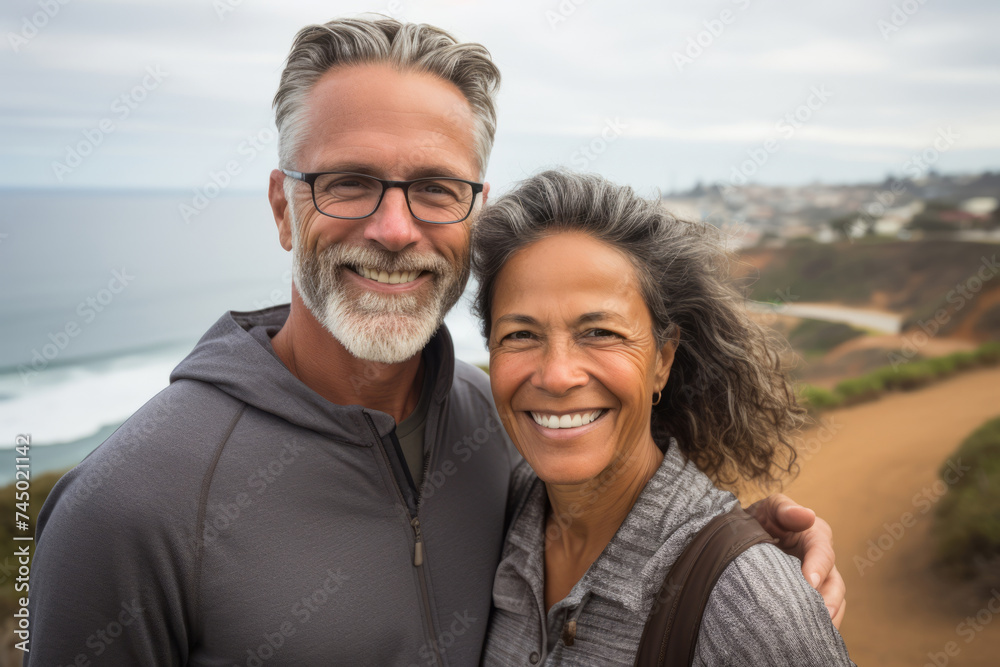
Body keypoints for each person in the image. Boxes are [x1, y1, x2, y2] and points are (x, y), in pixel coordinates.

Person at [26, 17, 842, 666]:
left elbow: (621, 518)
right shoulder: (128, 508)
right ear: (283, 207)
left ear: (473, 214)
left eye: (434, 189)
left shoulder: (504, 425)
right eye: (347, 182)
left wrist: (746, 565)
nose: (392, 228)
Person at [473, 170, 854, 666]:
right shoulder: (494, 512)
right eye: (520, 335)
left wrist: (756, 578)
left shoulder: (753, 608)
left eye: (601, 332)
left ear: (663, 359)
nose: (557, 375)